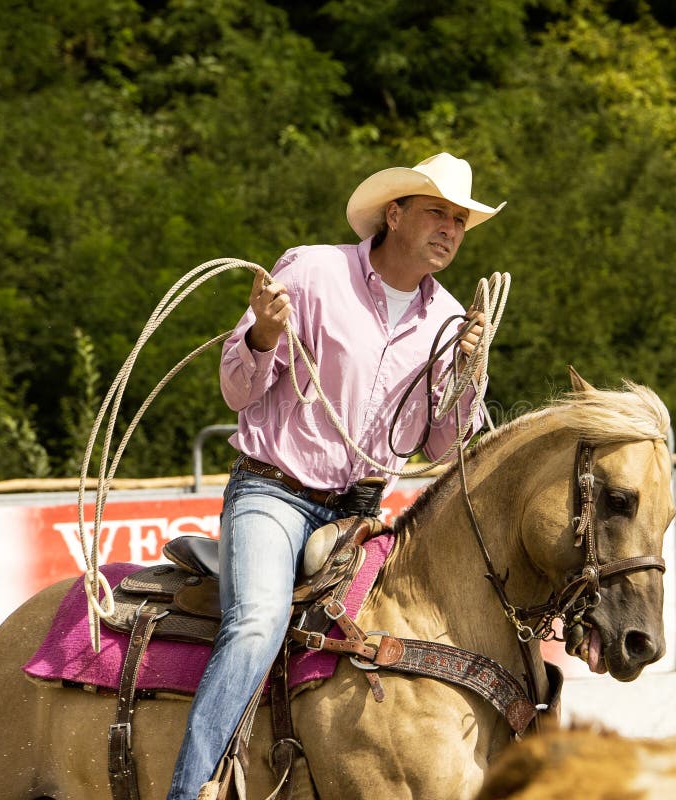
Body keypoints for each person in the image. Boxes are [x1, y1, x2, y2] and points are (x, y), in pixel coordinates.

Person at [167, 152, 506, 799]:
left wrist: (471, 374)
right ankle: (191, 792)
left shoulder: (451, 322)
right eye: (438, 212)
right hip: (275, 491)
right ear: (395, 213)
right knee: (259, 620)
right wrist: (263, 335)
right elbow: (237, 391)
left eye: (460, 220)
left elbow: (442, 441)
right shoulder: (312, 271)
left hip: (362, 514)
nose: (451, 229)